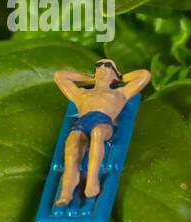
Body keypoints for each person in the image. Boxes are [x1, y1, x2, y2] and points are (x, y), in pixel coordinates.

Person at [52, 59, 151, 206]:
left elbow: (144, 75)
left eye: (108, 66)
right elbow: (59, 76)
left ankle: (92, 180)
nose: (102, 68)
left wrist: (120, 77)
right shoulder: (81, 94)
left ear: (115, 75)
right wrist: (90, 78)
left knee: (97, 133)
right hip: (82, 122)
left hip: (103, 123)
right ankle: (67, 191)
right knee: (72, 144)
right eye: (98, 67)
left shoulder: (120, 93)